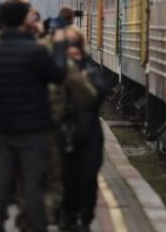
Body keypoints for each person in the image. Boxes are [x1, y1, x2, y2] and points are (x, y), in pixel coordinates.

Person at [0, 0, 67, 232]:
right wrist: (59, 46)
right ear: (22, 21)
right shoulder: (35, 51)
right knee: (32, 184)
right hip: (34, 129)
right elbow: (58, 74)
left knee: (0, 180)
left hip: (5, 127)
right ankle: (35, 226)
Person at [59, 29, 111, 232]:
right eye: (69, 56)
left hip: (89, 134)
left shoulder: (91, 70)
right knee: (67, 179)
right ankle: (68, 215)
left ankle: (85, 219)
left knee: (88, 179)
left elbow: (99, 93)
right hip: (65, 134)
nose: (73, 60)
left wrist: (81, 80)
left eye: (76, 55)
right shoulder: (57, 72)